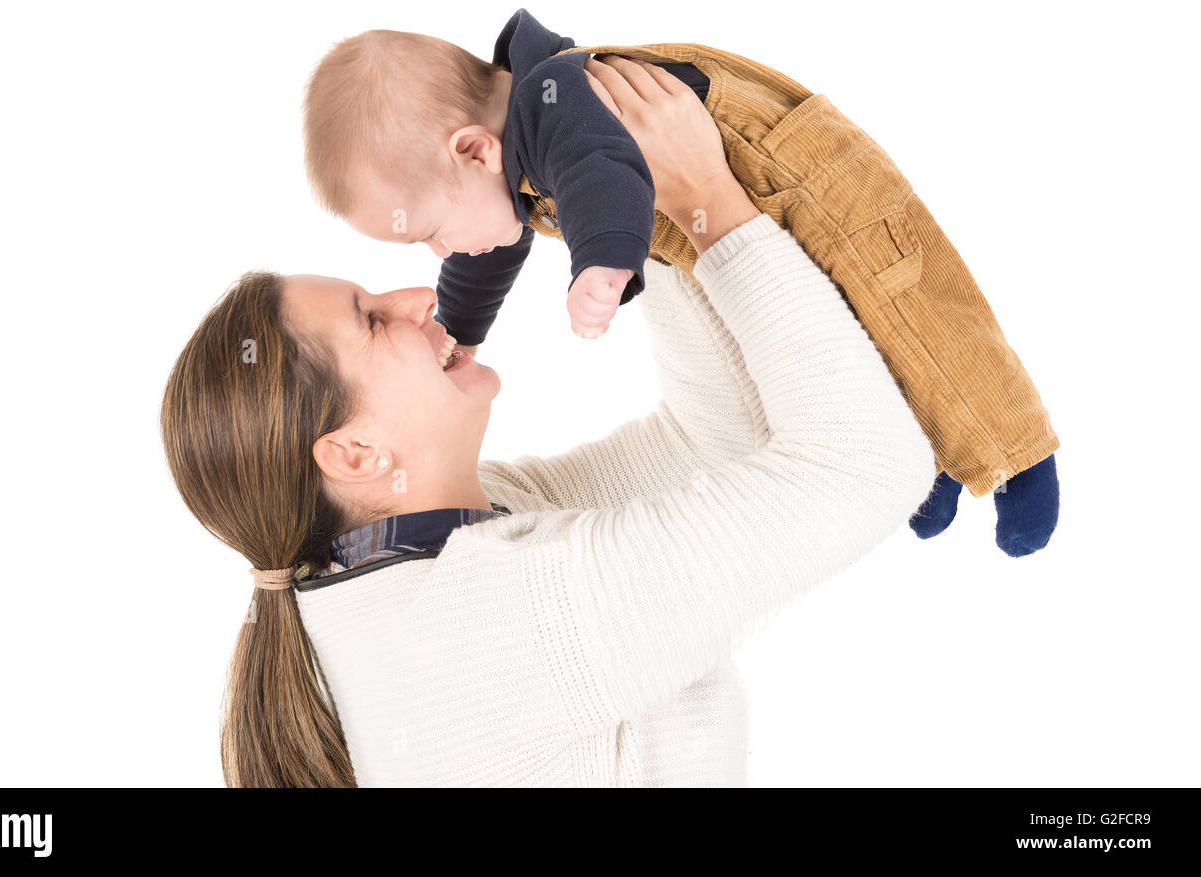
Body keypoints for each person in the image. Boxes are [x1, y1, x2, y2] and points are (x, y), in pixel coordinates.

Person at [161, 61, 936, 786]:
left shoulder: (437, 535)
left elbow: (712, 447)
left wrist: (629, 199)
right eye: (371, 320)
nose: (420, 297)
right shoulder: (489, 624)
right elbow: (871, 464)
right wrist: (712, 204)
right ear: (354, 452)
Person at [301, 9, 1060, 556]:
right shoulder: (512, 152)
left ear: (471, 151)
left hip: (796, 174)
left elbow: (602, 178)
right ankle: (939, 460)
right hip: (738, 199)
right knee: (846, 336)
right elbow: (487, 252)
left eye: (427, 230)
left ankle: (1018, 453)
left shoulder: (552, 103)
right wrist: (460, 329)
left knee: (905, 305)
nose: (439, 251)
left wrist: (601, 264)